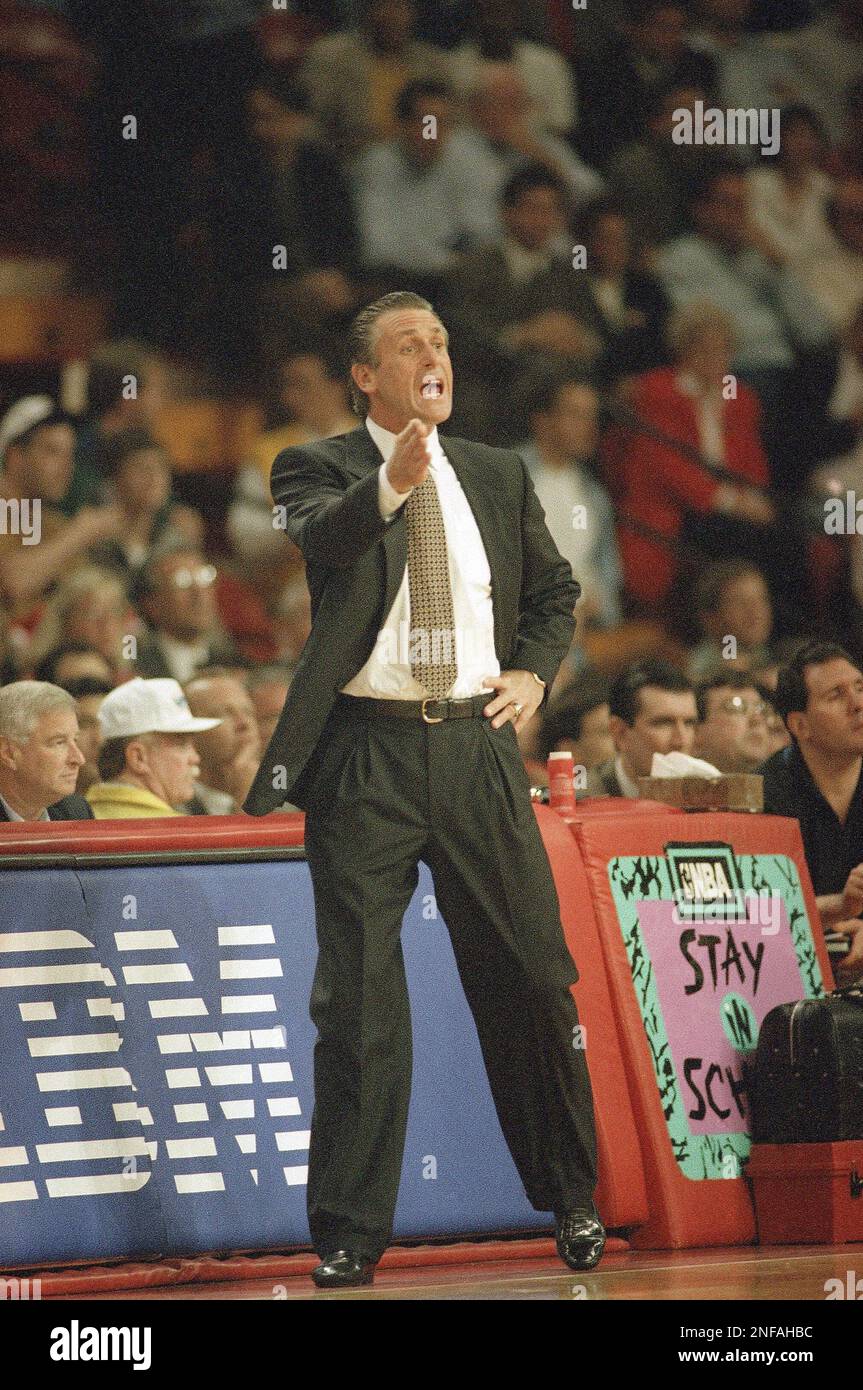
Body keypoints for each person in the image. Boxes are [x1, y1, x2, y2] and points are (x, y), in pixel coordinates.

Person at [243, 290, 603, 1286]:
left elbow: (553, 591)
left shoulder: (492, 470)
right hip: (366, 750)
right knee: (357, 1000)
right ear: (365, 375)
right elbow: (321, 540)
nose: (431, 354)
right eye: (408, 345)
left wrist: (533, 669)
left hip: (478, 745)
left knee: (533, 976)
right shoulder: (314, 466)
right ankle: (350, 1232)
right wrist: (393, 483)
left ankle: (574, 1202)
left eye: (440, 340)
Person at [760, 640, 863, 981]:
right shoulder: (765, 794)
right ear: (799, 725)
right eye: (836, 695)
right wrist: (839, 908)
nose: (857, 704)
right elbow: (757, 913)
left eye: (860, 688)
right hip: (791, 971)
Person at [85, 677, 219, 819]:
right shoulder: (181, 835)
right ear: (138, 757)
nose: (195, 758)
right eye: (182, 744)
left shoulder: (79, 818)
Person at [581, 659, 697, 797]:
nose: (681, 741)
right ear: (620, 733)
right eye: (663, 723)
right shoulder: (581, 802)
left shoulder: (710, 794)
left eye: (689, 723)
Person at [0, 681, 92, 821]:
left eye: (75, 740)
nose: (78, 759)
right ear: (8, 753)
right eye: (59, 742)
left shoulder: (76, 811)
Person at [183, 670, 262, 814]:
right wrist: (247, 798)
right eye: (222, 713)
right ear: (189, 733)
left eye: (248, 711)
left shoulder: (287, 800)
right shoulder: (174, 807)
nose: (244, 723)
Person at [693, 670, 772, 773]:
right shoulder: (674, 786)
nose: (757, 719)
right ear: (697, 731)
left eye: (761, 708)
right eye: (736, 707)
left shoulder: (788, 785)